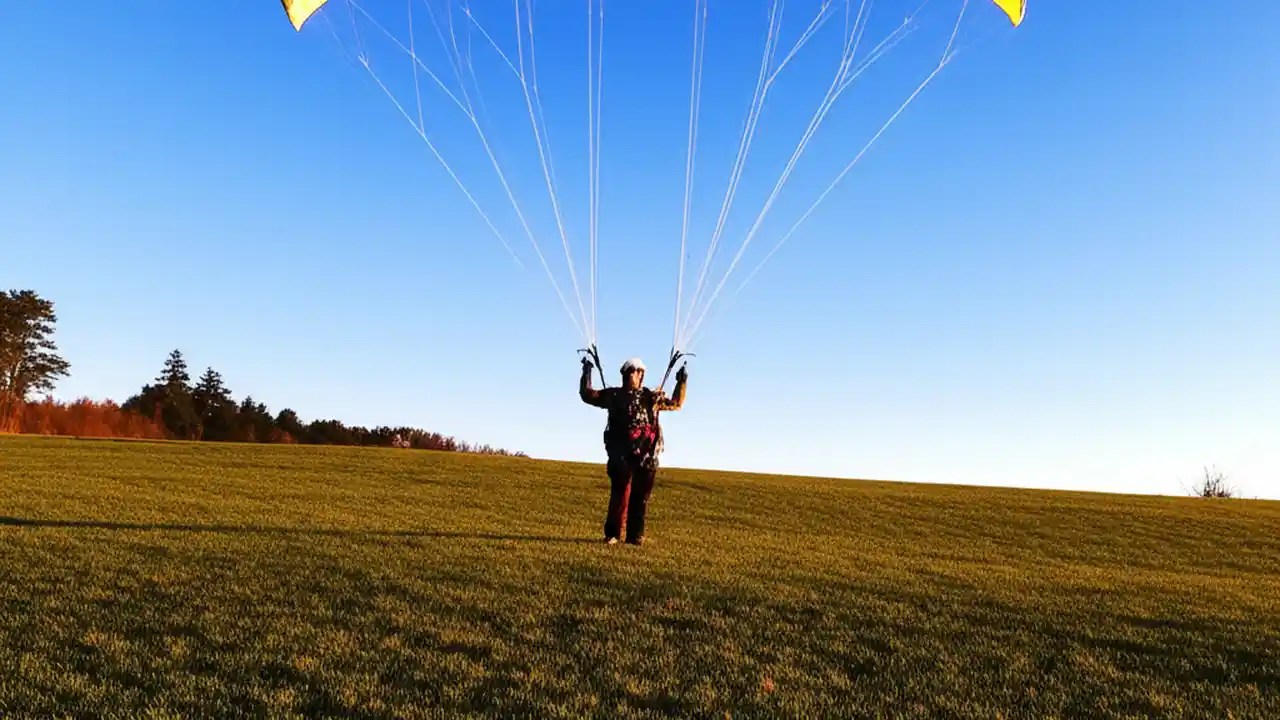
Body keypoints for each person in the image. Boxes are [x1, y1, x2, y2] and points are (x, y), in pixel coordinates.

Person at [579, 355, 688, 545]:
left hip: (647, 454)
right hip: (620, 453)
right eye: (635, 371)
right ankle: (613, 534)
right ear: (627, 373)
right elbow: (587, 394)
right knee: (620, 494)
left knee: (640, 496)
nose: (637, 375)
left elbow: (676, 403)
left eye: (639, 372)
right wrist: (586, 372)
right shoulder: (613, 396)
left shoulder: (651, 397)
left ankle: (635, 536)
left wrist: (682, 382)